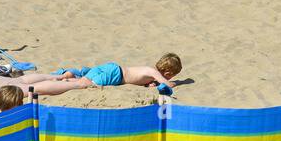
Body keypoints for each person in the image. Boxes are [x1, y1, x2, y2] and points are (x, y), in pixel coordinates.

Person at [52, 53, 183, 91]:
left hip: (112, 68)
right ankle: (67, 80)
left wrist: (149, 85)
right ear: (168, 72)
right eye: (172, 74)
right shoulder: (153, 72)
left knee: (87, 76)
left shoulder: (149, 72)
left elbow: (141, 80)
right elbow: (167, 84)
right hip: (115, 75)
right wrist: (175, 83)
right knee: (86, 84)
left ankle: (70, 74)